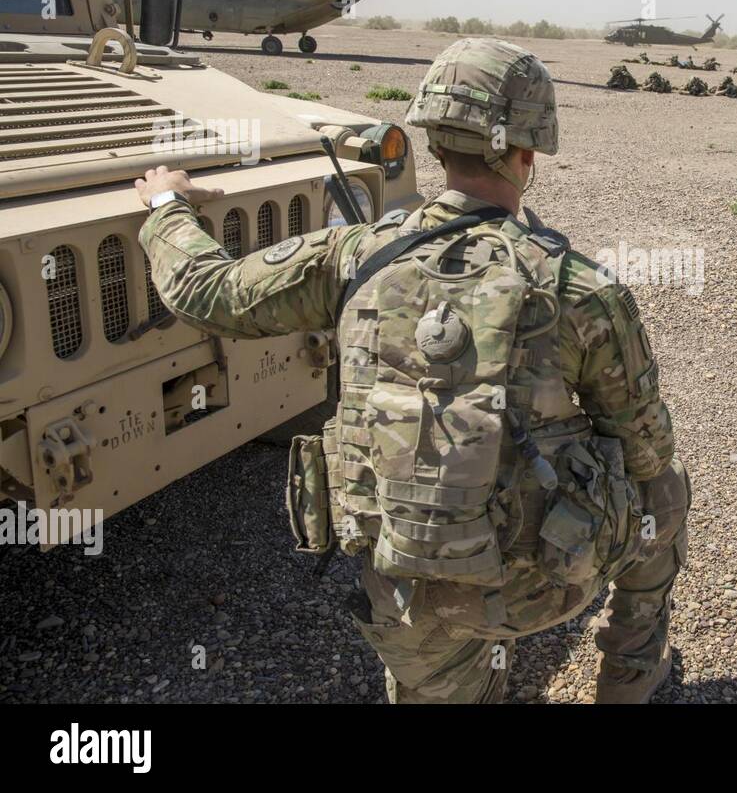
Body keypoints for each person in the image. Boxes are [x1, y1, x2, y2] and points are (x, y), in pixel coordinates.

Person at [133, 37, 690, 705]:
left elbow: (209, 293)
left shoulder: (355, 254)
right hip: (543, 586)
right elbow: (646, 449)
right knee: (669, 487)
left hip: (402, 589)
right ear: (528, 152)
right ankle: (630, 676)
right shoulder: (579, 287)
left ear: (434, 141)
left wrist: (169, 209)